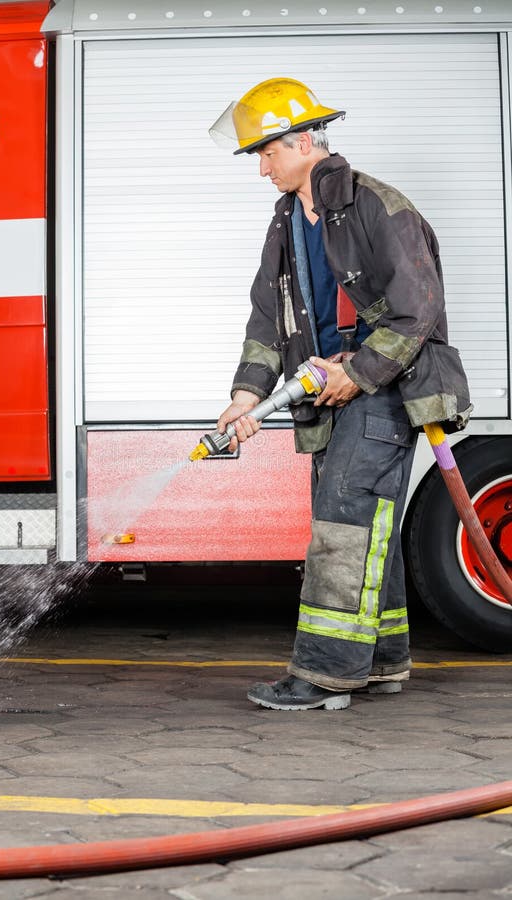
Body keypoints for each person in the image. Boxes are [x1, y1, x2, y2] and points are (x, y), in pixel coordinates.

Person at [209, 77, 471, 711]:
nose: (262, 167)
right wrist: (247, 395)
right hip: (330, 395)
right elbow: (268, 317)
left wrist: (358, 372)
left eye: (267, 152)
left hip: (384, 388)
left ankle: (326, 672)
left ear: (302, 141)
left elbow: (417, 310)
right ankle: (383, 661)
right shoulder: (286, 221)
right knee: (365, 524)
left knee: (342, 525)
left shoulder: (378, 205)